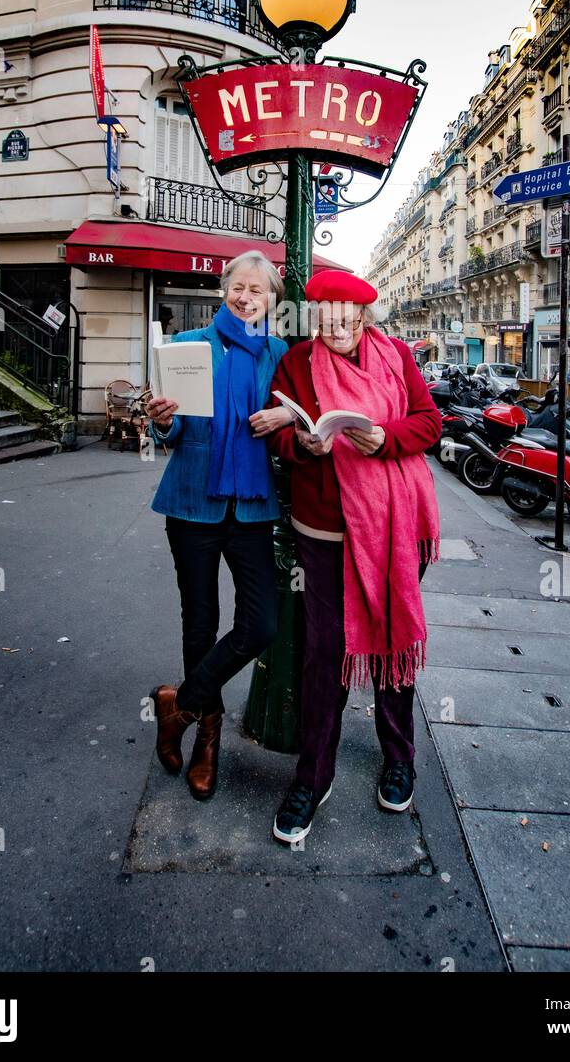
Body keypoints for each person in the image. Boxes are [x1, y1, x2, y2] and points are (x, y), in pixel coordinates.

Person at [267, 270, 443, 845]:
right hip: (323, 528)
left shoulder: (395, 356)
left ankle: (400, 758)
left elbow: (429, 423)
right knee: (324, 654)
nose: (338, 324)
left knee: (394, 636)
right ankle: (313, 777)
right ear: (314, 318)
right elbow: (278, 435)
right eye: (327, 314)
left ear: (363, 317)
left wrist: (386, 438)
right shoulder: (296, 364)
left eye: (348, 314)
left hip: (395, 525)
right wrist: (304, 443)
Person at [145, 253, 293, 801]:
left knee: (261, 624)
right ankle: (208, 738)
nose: (246, 296)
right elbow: (175, 425)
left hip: (253, 507)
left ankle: (177, 704)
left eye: (258, 289)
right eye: (238, 286)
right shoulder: (189, 347)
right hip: (192, 504)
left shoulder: (281, 355)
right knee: (199, 621)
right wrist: (165, 420)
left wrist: (285, 417)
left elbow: (300, 417)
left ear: (272, 300)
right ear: (223, 290)